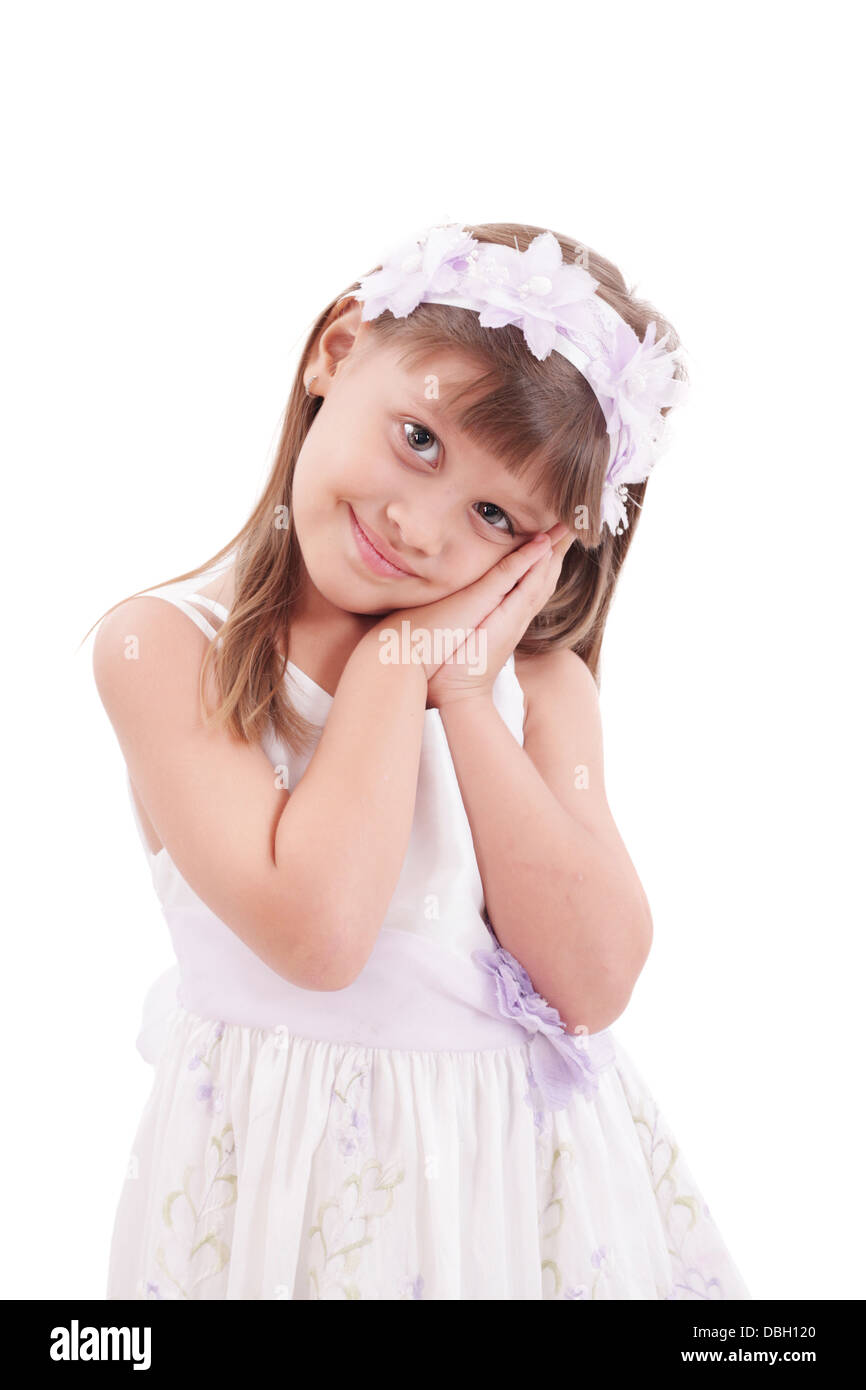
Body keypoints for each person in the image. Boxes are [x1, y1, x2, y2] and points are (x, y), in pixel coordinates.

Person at [89, 221, 751, 1300]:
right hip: (279, 1187)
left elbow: (591, 980)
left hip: (515, 1196)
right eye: (419, 440)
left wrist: (458, 692)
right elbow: (318, 931)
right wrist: (393, 666)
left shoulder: (534, 691)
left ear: (546, 550)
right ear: (336, 351)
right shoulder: (166, 650)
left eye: (494, 514)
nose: (417, 524)